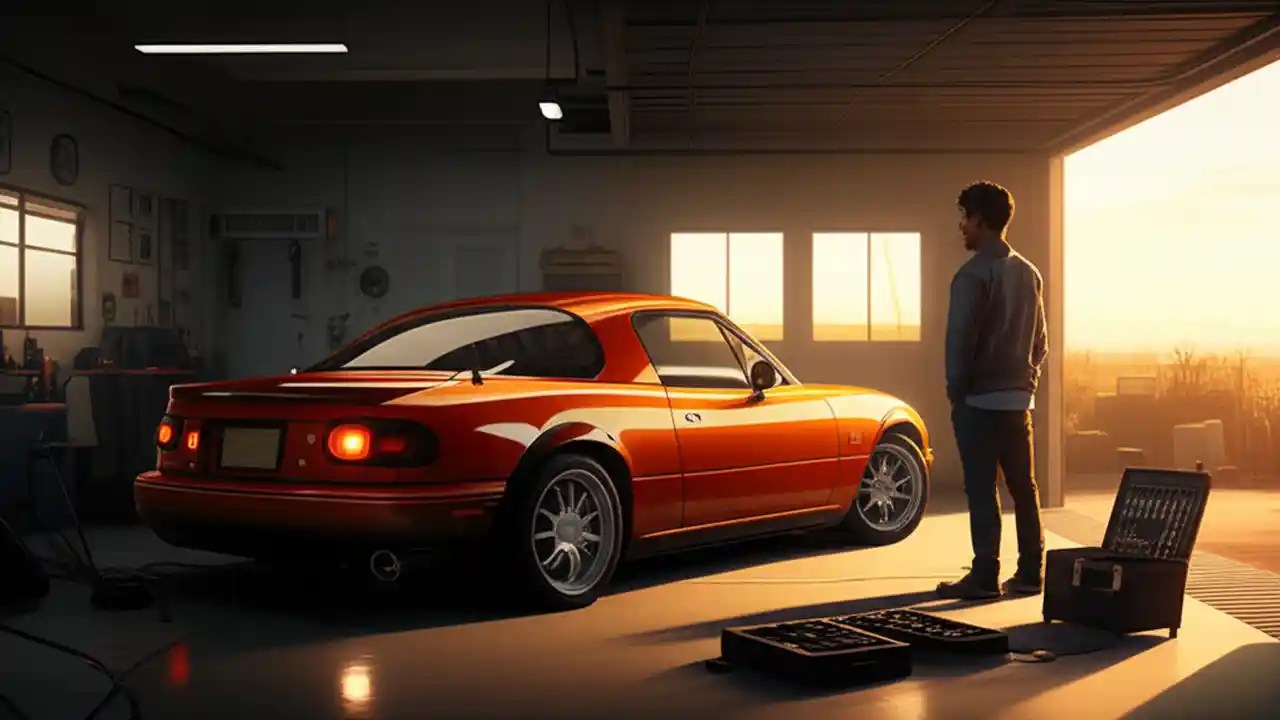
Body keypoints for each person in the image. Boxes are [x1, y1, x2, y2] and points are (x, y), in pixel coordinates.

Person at [937, 181, 1048, 600]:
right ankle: (1031, 573)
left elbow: (960, 341)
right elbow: (1041, 343)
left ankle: (985, 576)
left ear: (981, 221)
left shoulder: (970, 276)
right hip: (1018, 402)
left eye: (965, 218)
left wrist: (956, 392)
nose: (962, 226)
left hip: (978, 402)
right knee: (1024, 487)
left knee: (983, 490)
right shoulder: (1029, 273)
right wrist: (1026, 382)